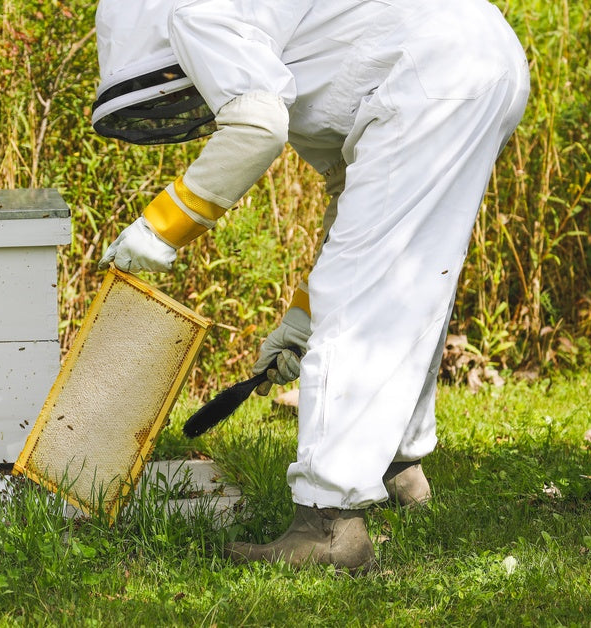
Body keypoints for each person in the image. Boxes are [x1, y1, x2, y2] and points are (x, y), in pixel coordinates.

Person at [92, 0, 530, 571]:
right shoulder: (289, 40)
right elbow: (355, 204)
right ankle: (400, 468)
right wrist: (302, 320)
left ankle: (327, 523)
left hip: (436, 72)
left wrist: (162, 226)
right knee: (413, 272)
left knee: (369, 297)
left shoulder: (192, 14)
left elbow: (255, 128)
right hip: (480, 57)